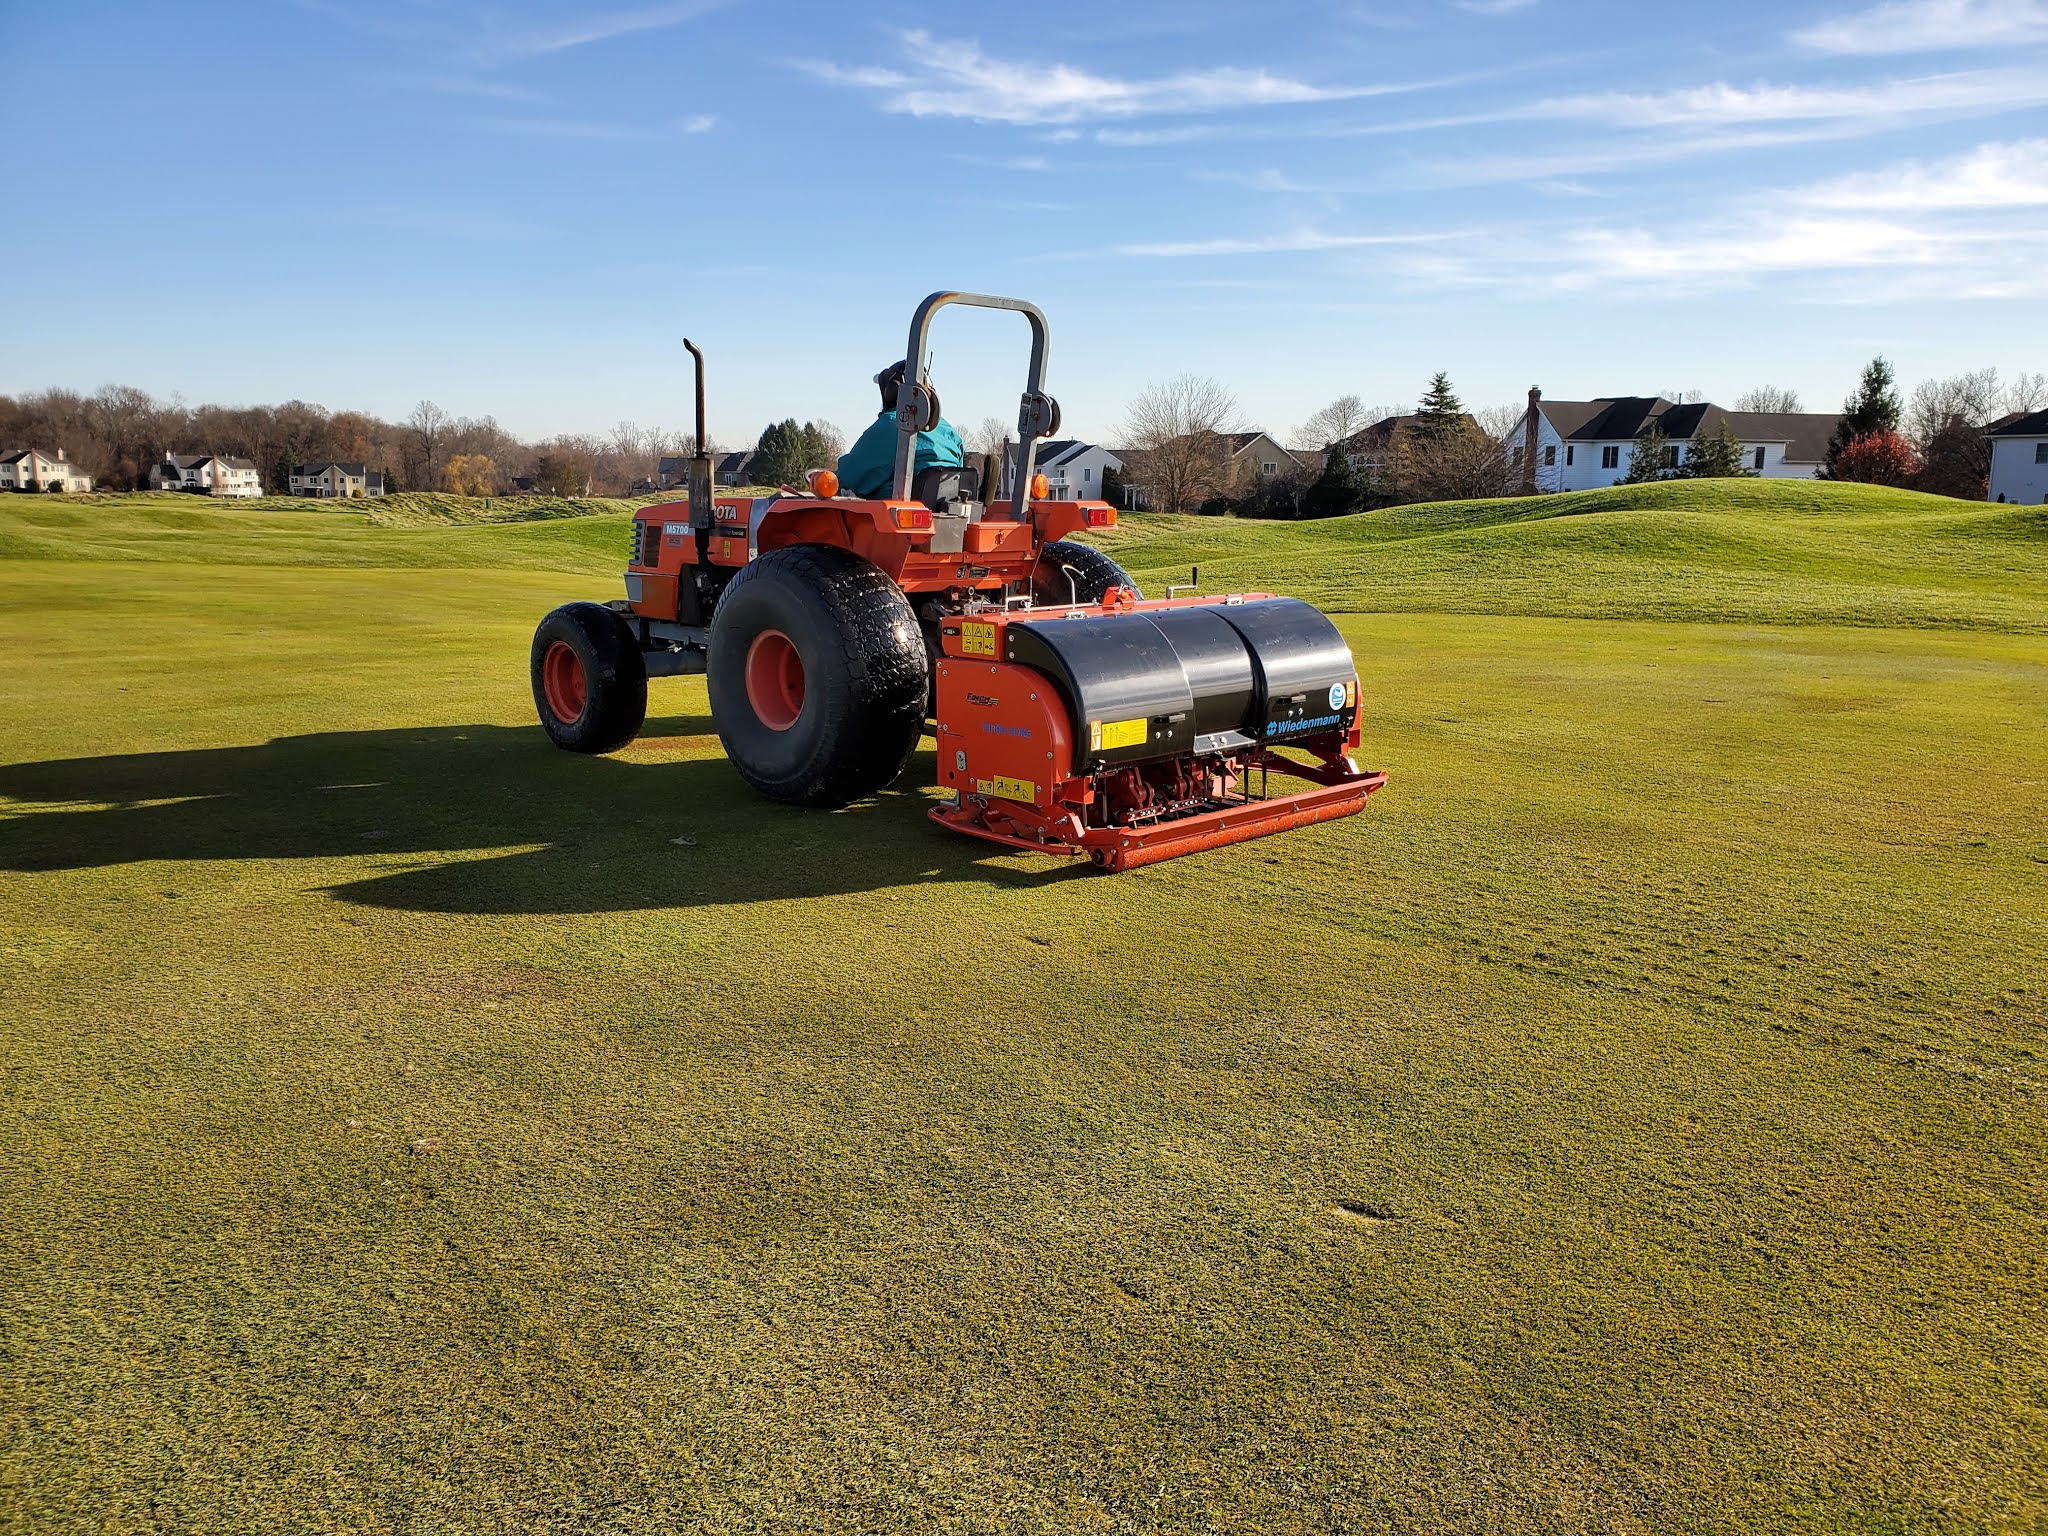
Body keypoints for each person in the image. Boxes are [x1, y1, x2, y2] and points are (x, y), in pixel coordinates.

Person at [835, 360, 964, 499]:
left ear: (891, 392)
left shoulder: (892, 425)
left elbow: (848, 478)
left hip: (896, 510)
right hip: (944, 508)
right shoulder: (950, 433)